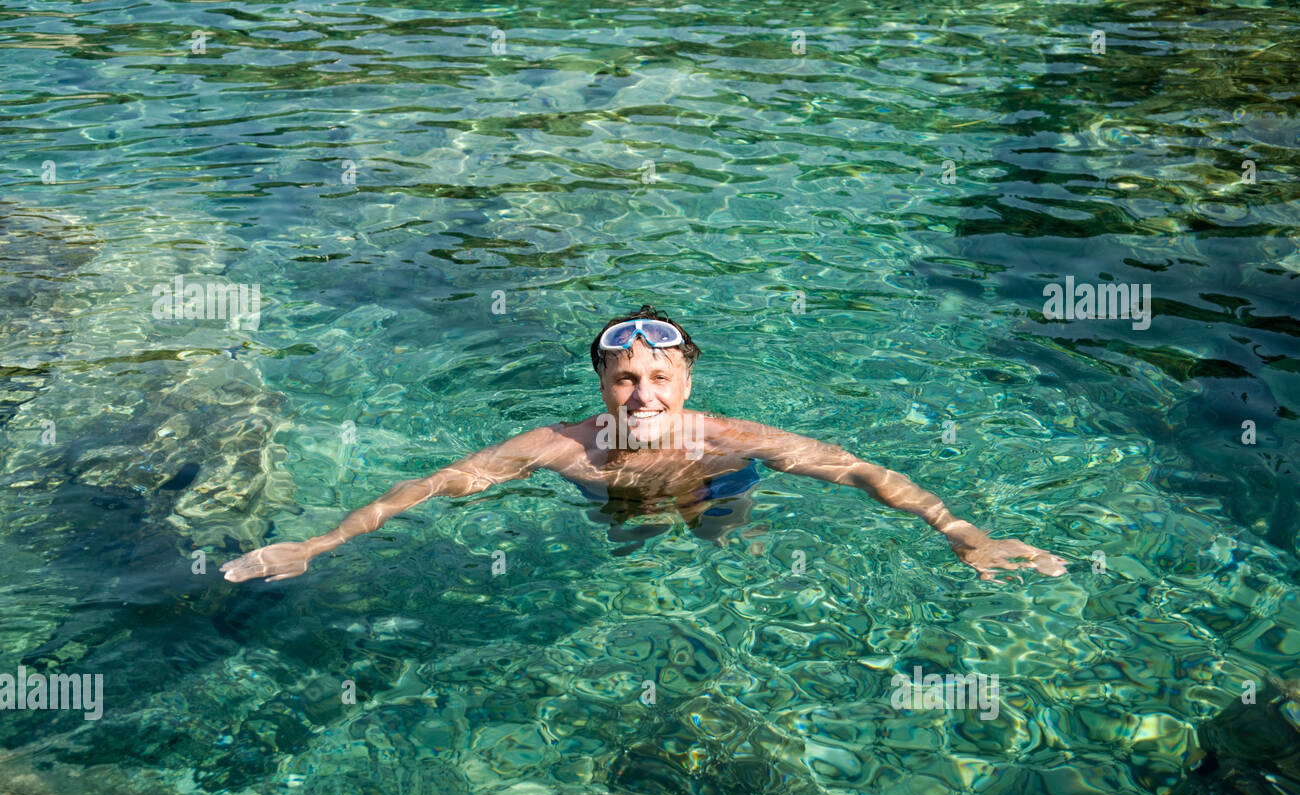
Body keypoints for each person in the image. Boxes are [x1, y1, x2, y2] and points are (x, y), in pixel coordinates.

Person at [221, 305, 1068, 583]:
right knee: (624, 546)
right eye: (625, 379)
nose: (643, 393)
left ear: (687, 384)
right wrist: (318, 543)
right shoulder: (563, 447)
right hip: (611, 501)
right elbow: (437, 485)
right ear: (601, 385)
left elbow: (863, 474)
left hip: (716, 488)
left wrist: (963, 533)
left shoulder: (732, 437)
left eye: (659, 378)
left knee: (729, 547)